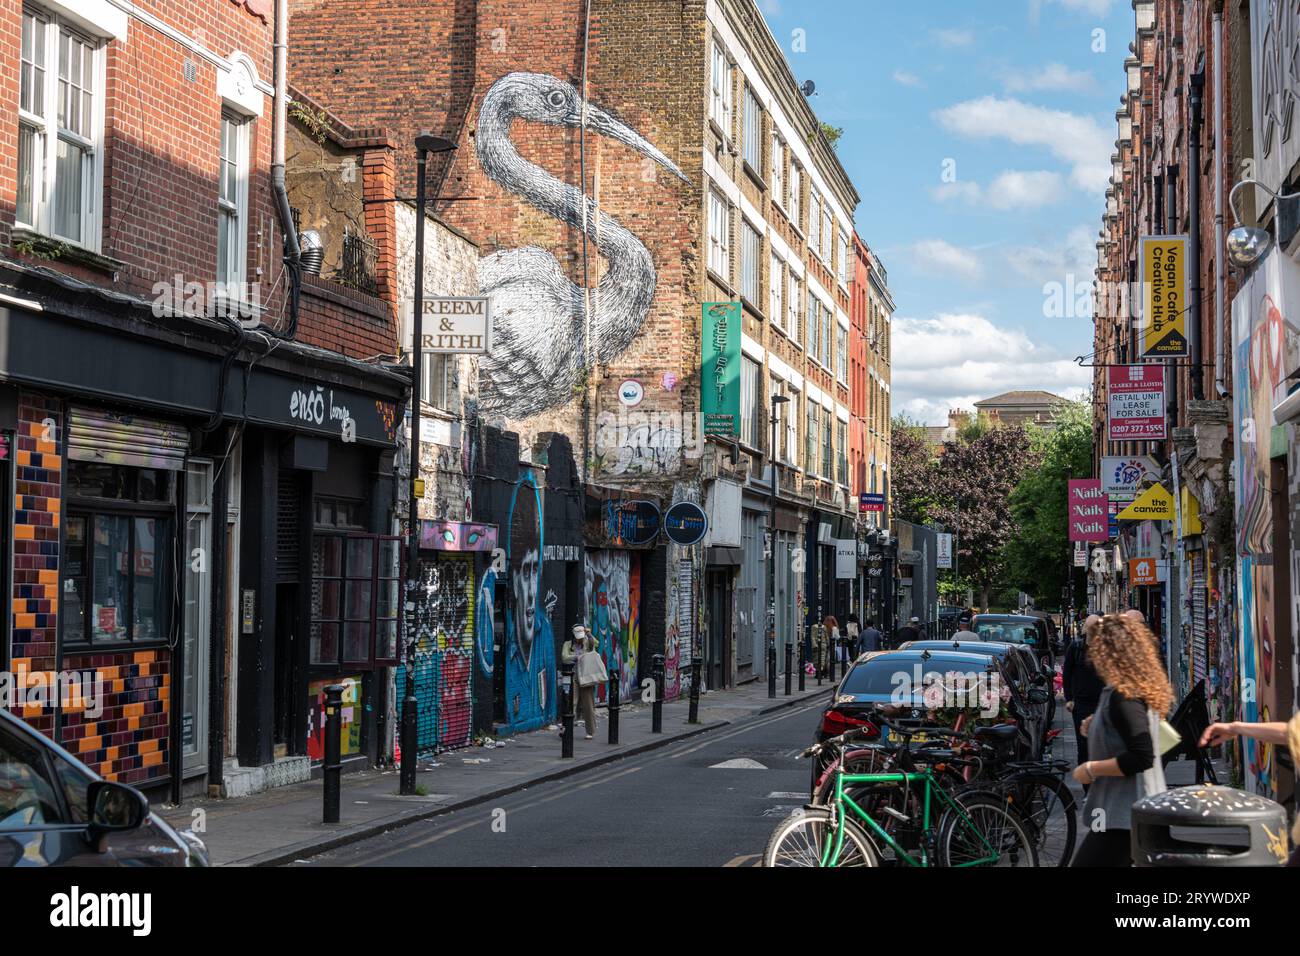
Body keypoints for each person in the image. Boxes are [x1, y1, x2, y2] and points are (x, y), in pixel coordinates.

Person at [1070, 613, 1173, 867]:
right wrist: (1098, 722)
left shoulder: (1123, 694)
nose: (1091, 654)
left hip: (1124, 817)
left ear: (1110, 651)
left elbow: (1142, 756)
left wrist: (1090, 769)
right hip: (1120, 814)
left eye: (1096, 646)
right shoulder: (1126, 690)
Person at [1062, 614, 1105, 782]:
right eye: (1090, 627)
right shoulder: (1076, 648)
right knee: (1084, 746)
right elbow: (1067, 674)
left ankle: (1099, 779)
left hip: (1102, 705)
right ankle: (1087, 784)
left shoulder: (1107, 648)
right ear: (1085, 629)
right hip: (1081, 705)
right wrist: (1069, 699)